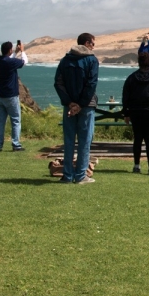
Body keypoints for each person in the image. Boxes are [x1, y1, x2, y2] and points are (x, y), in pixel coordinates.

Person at [54, 33, 100, 184]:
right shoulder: (92, 60)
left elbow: (58, 83)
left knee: (69, 141)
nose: (94, 46)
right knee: (85, 140)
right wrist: (80, 104)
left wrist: (69, 103)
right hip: (86, 106)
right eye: (93, 44)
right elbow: (91, 84)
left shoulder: (65, 60)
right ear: (87, 43)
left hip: (70, 106)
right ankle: (80, 175)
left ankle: (67, 175)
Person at [0, 40, 28, 152]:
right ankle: (16, 144)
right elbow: (24, 62)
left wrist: (15, 52)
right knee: (15, 120)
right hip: (11, 95)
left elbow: (8, 60)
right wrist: (22, 51)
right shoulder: (11, 62)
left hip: (0, 95)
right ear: (10, 50)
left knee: (1, 121)